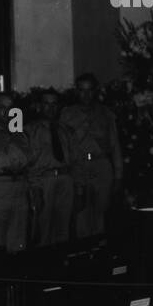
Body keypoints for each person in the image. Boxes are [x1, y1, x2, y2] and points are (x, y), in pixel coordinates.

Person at [60, 73, 123, 238]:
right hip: (79, 166)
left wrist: (118, 174)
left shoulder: (106, 114)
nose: (85, 94)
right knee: (81, 214)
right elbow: (63, 145)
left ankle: (99, 252)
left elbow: (115, 145)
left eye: (89, 90)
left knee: (101, 214)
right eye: (81, 90)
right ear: (76, 92)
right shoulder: (67, 114)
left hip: (101, 165)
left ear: (95, 91)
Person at [27, 89, 76, 246]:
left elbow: (75, 158)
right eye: (46, 104)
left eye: (54, 104)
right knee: (44, 229)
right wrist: (35, 187)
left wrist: (79, 184)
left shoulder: (65, 130)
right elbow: (29, 162)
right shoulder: (31, 130)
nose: (50, 108)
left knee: (63, 230)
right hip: (44, 180)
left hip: (65, 179)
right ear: (40, 106)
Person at [0, 92, 30, 254]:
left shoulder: (21, 134)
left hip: (20, 187)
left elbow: (29, 164)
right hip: (0, 187)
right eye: (2, 107)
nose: (6, 112)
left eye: (10, 108)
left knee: (18, 242)